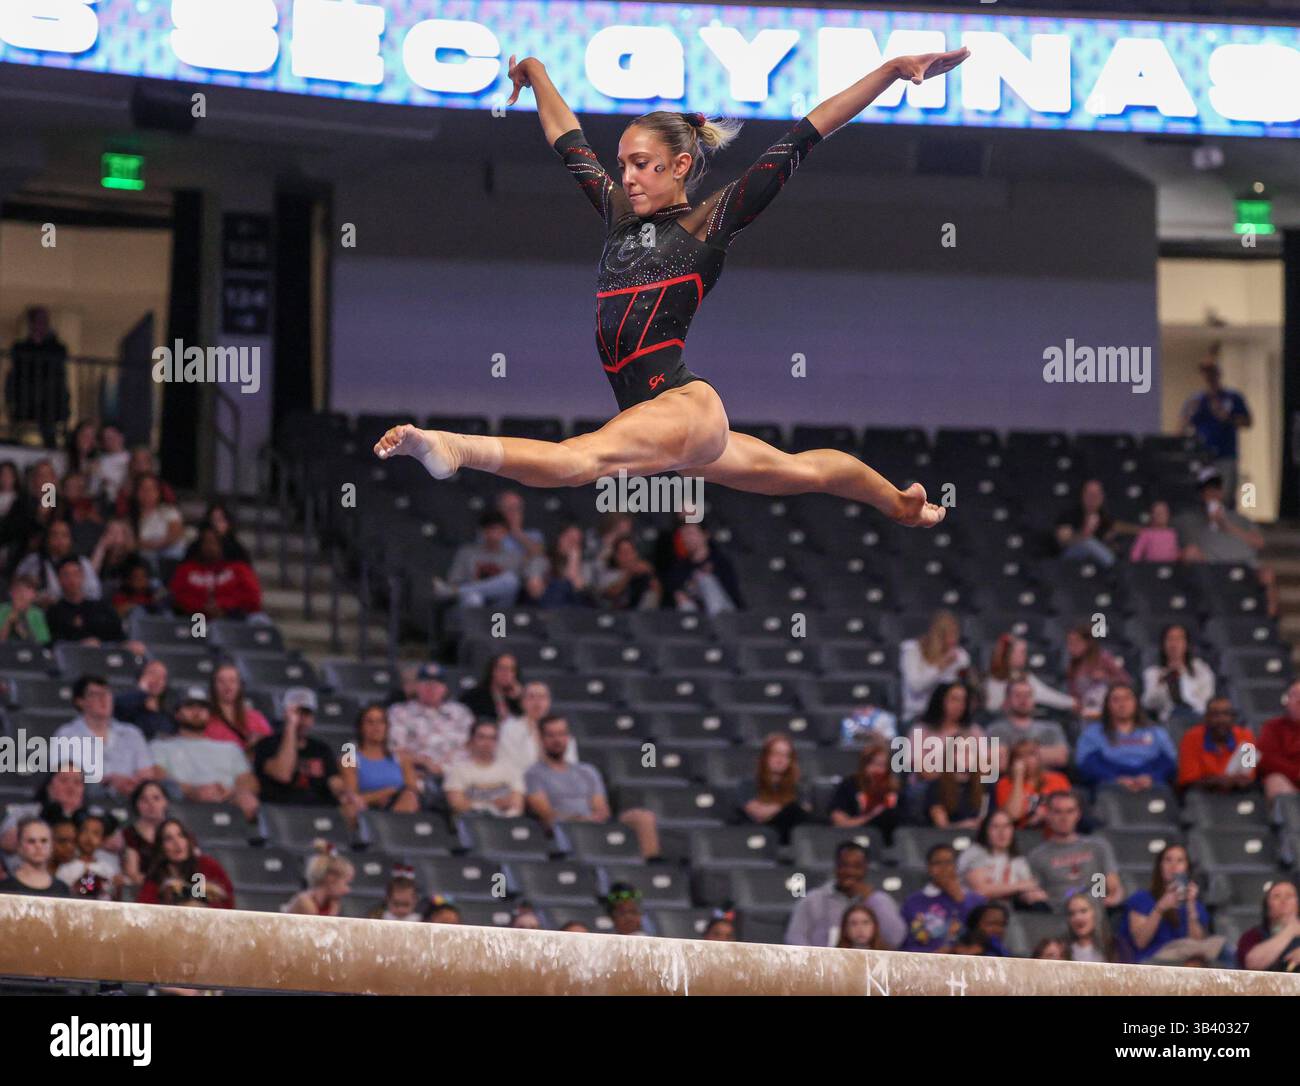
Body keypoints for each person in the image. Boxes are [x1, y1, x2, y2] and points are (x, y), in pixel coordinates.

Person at [372, 50, 963, 532]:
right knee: (801, 472)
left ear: (680, 166)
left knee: (583, 459)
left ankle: (453, 446)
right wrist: (536, 71)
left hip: (681, 406)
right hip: (661, 416)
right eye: (623, 164)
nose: (625, 176)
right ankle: (899, 503)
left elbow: (806, 134)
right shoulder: (617, 215)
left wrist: (889, 73)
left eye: (640, 164)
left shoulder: (707, 222)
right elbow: (567, 138)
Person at [524, 714, 660, 858]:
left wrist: (592, 819)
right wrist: (579, 819)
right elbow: (547, 816)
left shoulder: (587, 771)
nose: (557, 740)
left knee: (643, 818)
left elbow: (602, 809)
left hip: (596, 826)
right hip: (568, 831)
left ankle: (651, 869)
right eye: (551, 735)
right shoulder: (533, 774)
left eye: (561, 734)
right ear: (541, 739)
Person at [252, 687, 363, 821]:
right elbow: (283, 774)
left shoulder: (321, 748)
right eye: (297, 713)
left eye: (307, 714)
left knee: (352, 807)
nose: (302, 719)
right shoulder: (267, 744)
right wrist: (291, 726)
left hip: (320, 811)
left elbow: (334, 781)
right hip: (282, 812)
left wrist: (347, 794)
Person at [1177, 467, 1276, 616]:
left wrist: (1226, 525)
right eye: (1208, 491)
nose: (1212, 494)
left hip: (1245, 567)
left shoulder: (1240, 519)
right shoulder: (1188, 520)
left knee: (1267, 574)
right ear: (1201, 494)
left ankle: (1268, 625)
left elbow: (1259, 543)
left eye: (1216, 489)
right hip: (1213, 570)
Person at [150, 693, 261, 820]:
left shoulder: (230, 748)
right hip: (183, 803)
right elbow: (157, 776)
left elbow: (250, 782)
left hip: (228, 800)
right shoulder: (160, 746)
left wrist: (232, 792)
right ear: (177, 714)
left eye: (202, 707)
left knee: (249, 800)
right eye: (190, 706)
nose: (197, 711)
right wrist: (192, 791)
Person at [54, 675, 159, 801]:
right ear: (80, 701)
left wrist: (131, 783)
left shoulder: (132, 733)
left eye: (107, 694)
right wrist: (109, 781)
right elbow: (64, 777)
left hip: (131, 796)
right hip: (88, 797)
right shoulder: (67, 735)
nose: (104, 699)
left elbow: (146, 773)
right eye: (95, 695)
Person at [784, 841, 906, 949]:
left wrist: (871, 898)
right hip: (821, 968)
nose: (850, 871)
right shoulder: (813, 900)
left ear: (866, 868)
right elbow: (794, 938)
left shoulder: (880, 900)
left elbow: (895, 939)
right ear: (836, 867)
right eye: (844, 865)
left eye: (856, 866)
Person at [386, 662, 475, 803]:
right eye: (426, 683)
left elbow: (471, 747)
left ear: (445, 688)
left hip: (457, 776)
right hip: (417, 774)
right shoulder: (399, 712)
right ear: (416, 686)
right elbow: (396, 749)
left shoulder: (461, 713)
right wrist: (425, 763)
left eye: (437, 684)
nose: (431, 688)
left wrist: (444, 767)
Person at [1027, 791, 1123, 911]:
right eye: (1057, 812)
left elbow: (1114, 888)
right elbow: (1033, 894)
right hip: (1058, 917)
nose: (1064, 818)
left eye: (1070, 811)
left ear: (1078, 814)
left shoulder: (1098, 847)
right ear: (1048, 815)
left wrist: (1108, 903)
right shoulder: (1037, 856)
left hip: (1099, 913)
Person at [1075, 683, 1177, 793]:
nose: (1122, 704)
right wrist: (1115, 779)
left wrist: (1152, 777)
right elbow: (1088, 765)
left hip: (1152, 785)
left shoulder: (1156, 732)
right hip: (1110, 786)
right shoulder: (1092, 733)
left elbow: (1169, 762)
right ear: (1107, 705)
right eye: (1116, 700)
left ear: (1136, 703)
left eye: (1127, 699)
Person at [1180, 353, 1252, 507]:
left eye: (1212, 371)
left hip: (1226, 455)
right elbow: (1182, 427)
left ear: (1218, 373)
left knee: (1225, 495)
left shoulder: (1232, 397)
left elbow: (1247, 421)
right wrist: (1189, 414)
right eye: (1205, 371)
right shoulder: (1196, 399)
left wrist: (1226, 417)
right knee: (1202, 494)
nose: (1209, 375)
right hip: (1202, 455)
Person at [1122, 844, 1212, 965]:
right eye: (1168, 860)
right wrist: (1159, 908)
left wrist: (1191, 907)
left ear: (1187, 868)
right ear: (1160, 866)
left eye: (1180, 860)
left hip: (1186, 965)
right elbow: (1140, 942)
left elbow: (1197, 945)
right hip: (1152, 964)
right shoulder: (1141, 899)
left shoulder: (1196, 906)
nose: (1173, 865)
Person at [434, 510, 531, 611]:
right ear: (483, 532)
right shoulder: (467, 552)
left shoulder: (514, 556)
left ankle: (453, 591)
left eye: (498, 531)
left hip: (502, 604)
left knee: (511, 580)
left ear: (505, 533)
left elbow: (515, 587)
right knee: (473, 598)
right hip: (475, 598)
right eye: (490, 531)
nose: (494, 535)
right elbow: (455, 579)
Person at [900, 844, 986, 953]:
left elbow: (978, 935)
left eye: (948, 862)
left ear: (956, 866)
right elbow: (907, 942)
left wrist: (960, 900)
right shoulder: (913, 902)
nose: (943, 868)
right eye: (937, 863)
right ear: (929, 868)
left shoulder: (976, 900)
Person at [5, 305, 69, 448]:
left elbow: (59, 369)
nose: (41, 325)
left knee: (49, 436)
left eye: (44, 321)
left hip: (50, 402)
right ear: (31, 323)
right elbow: (15, 373)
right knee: (23, 437)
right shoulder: (20, 347)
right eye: (38, 321)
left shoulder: (56, 347)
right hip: (26, 399)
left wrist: (51, 338)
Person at [338, 703, 420, 813]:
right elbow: (353, 797)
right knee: (350, 807)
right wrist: (385, 792)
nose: (376, 727)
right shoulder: (349, 759)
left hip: (399, 806)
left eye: (381, 722)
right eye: (370, 722)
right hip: (365, 809)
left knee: (409, 798)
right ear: (361, 727)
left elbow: (412, 789)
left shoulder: (402, 758)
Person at [958, 809, 1049, 908]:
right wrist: (1019, 886)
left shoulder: (1017, 860)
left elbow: (1029, 885)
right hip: (973, 911)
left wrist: (1034, 894)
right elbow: (981, 890)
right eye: (995, 827)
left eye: (1006, 826)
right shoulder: (975, 853)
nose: (1002, 832)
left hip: (1006, 913)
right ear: (985, 830)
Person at [168, 525, 263, 619]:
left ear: (222, 545)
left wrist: (224, 606)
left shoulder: (239, 569)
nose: (210, 547)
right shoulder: (187, 570)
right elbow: (176, 596)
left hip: (234, 618)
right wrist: (201, 607)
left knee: (259, 620)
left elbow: (253, 598)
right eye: (206, 542)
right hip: (193, 620)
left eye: (214, 542)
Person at [137, 818, 235, 908]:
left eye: (181, 835)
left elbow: (228, 903)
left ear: (188, 840)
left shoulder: (208, 865)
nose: (177, 843)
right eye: (168, 839)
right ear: (161, 847)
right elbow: (144, 910)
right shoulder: (155, 877)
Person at [736, 733, 812, 844]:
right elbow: (758, 813)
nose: (780, 760)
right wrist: (786, 806)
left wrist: (776, 808)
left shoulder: (798, 787)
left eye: (786, 756)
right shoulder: (749, 784)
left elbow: (805, 814)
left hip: (790, 835)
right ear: (765, 757)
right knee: (792, 809)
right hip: (762, 835)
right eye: (776, 754)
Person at [442, 720, 525, 818]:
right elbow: (457, 805)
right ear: (471, 740)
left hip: (506, 824)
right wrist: (492, 805)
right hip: (471, 825)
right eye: (482, 737)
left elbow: (517, 805)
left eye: (492, 738)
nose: (487, 742)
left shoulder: (511, 769)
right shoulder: (457, 770)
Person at [899, 611, 972, 722]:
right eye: (947, 635)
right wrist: (941, 666)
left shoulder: (960, 656)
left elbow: (959, 689)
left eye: (955, 634)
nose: (953, 641)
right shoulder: (912, 650)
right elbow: (916, 686)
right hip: (918, 714)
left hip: (949, 718)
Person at [498, 681, 579, 778]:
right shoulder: (509, 728)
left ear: (549, 702)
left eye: (542, 697)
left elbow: (570, 764)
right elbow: (506, 763)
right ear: (522, 702)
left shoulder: (561, 729)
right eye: (531, 697)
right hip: (519, 784)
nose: (537, 702)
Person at [1177, 696, 1256, 793]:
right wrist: (1221, 781)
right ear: (1206, 718)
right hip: (1203, 796)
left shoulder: (1247, 737)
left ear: (1233, 718)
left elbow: (1249, 776)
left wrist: (1226, 781)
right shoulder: (1190, 738)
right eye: (1215, 715)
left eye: (1226, 714)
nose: (1221, 720)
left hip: (1237, 794)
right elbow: (1188, 780)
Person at [1141, 623, 1215, 727]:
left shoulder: (1200, 668)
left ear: (1186, 644)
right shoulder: (1153, 672)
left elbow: (1207, 697)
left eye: (1179, 639)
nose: (1174, 644)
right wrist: (1160, 683)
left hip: (1197, 715)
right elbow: (1148, 703)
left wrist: (1182, 674)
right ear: (1163, 644)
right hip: (1170, 718)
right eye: (1170, 639)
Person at [986, 678, 1070, 770]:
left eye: (1028, 695)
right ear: (1007, 700)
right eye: (1018, 695)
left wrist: (1013, 753)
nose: (1023, 699)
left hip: (1047, 781)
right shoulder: (995, 730)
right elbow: (998, 763)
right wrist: (1042, 753)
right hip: (1009, 781)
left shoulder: (1051, 728)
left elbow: (1062, 757)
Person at [662, 522, 744, 614]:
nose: (687, 539)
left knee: (706, 579)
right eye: (683, 535)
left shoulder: (720, 561)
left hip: (726, 613)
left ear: (705, 535)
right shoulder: (680, 569)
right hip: (699, 617)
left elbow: (734, 592)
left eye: (690, 533)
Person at [983, 633, 1074, 716]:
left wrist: (1072, 703)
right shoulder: (994, 679)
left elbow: (1048, 695)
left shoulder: (1025, 676)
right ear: (1009, 654)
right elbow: (992, 707)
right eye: (1022, 652)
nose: (1025, 656)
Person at [16, 519, 104, 603]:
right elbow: (18, 591)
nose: (59, 539)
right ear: (47, 538)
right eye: (54, 535)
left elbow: (94, 593)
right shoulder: (33, 561)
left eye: (64, 535)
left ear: (70, 540)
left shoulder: (82, 562)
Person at [827, 738, 899, 840]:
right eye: (873, 764)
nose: (877, 770)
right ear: (863, 765)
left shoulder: (895, 789)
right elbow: (839, 822)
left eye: (883, 765)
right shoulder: (849, 785)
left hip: (888, 842)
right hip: (854, 838)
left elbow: (904, 827)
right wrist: (872, 817)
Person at [45, 557, 130, 644]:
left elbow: (119, 635)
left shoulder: (102, 607)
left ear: (83, 576)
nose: (72, 580)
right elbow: (52, 643)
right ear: (59, 579)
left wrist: (128, 644)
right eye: (66, 575)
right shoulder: (54, 612)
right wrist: (80, 644)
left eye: (76, 574)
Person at [995, 739, 1071, 829]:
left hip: (1053, 831)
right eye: (1020, 756)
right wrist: (1018, 777)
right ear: (1013, 762)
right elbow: (1012, 815)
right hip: (1021, 833)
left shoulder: (1058, 779)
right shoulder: (1005, 783)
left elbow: (1068, 812)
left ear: (1039, 758)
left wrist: (1046, 814)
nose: (1026, 760)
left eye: (1031, 754)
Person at [1065, 624, 1132, 720]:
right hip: (1086, 713)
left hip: (1107, 711)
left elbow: (1126, 681)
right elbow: (1073, 694)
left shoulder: (1103, 658)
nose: (1072, 647)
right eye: (1069, 643)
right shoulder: (1072, 667)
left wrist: (1105, 677)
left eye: (1076, 642)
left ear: (1087, 642)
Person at [523, 523, 595, 608]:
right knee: (559, 586)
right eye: (568, 538)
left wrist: (573, 560)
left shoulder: (585, 566)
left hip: (575, 611)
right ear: (559, 538)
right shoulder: (541, 560)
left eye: (576, 541)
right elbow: (535, 592)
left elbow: (579, 589)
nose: (571, 544)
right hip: (543, 609)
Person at [204, 662, 273, 750]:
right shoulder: (204, 718)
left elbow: (270, 749)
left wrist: (259, 743)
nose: (227, 686)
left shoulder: (256, 718)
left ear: (240, 685)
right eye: (221, 681)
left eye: (232, 681)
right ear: (213, 686)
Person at [54, 807, 122, 895]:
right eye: (84, 830)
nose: (89, 838)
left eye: (96, 833)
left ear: (103, 839)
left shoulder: (108, 870)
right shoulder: (66, 868)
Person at [1054, 479, 1122, 567]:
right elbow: (1063, 541)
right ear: (1083, 496)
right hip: (1070, 556)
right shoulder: (1070, 514)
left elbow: (1108, 539)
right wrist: (1084, 533)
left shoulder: (1105, 516)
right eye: (1090, 494)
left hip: (1096, 557)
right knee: (1088, 541)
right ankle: (1114, 567)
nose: (1094, 497)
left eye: (1097, 494)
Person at [1236, 879, 1300, 972]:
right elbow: (1252, 964)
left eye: (1289, 896)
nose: (1283, 901)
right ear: (1267, 905)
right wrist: (1290, 930)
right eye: (1276, 896)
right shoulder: (1252, 936)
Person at [0, 818, 71, 897]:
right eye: (31, 841)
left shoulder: (62, 889)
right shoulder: (4, 888)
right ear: (19, 846)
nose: (38, 846)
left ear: (51, 846)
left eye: (44, 841)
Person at [127, 473, 185, 567]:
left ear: (158, 492)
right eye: (143, 489)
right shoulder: (130, 518)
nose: (147, 493)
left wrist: (149, 545)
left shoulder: (169, 511)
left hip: (169, 559)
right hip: (143, 562)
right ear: (136, 493)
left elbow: (174, 536)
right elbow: (131, 545)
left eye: (151, 489)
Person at [283, 842, 354, 916]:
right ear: (330, 878)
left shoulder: (333, 905)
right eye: (346, 883)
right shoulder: (304, 902)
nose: (347, 890)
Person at [120, 779, 169, 885]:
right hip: (144, 890)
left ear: (165, 801)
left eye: (156, 798)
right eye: (144, 799)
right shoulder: (129, 835)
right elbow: (132, 874)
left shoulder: (178, 832)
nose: (151, 804)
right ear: (137, 804)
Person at [1258, 680, 1300, 801]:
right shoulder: (1273, 726)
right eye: (1295, 696)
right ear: (1286, 702)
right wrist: (1296, 773)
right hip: (1287, 782)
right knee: (1275, 781)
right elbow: (1265, 758)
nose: (1299, 701)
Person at [113, 659, 174, 741]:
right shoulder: (125, 701)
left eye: (163, 677)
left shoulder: (166, 712)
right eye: (153, 674)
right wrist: (142, 692)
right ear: (141, 677)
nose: (158, 680)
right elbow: (121, 706)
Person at [596, 536, 662, 611]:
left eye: (629, 552)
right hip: (615, 615)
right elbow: (611, 593)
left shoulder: (643, 573)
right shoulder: (608, 573)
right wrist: (629, 574)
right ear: (615, 555)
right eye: (623, 553)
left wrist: (651, 574)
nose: (627, 557)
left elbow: (656, 595)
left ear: (635, 553)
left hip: (641, 615)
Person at [460, 652, 524, 723]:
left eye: (512, 670)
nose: (507, 673)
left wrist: (519, 699)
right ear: (492, 671)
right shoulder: (474, 695)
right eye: (502, 668)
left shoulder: (521, 698)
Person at [1064, 891, 1116, 963]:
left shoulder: (1115, 947)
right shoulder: (1062, 949)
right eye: (1072, 913)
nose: (1078, 918)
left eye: (1083, 911)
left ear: (1096, 913)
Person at [0, 572, 49, 644]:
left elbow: (42, 643)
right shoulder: (2, 609)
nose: (22, 594)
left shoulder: (37, 614)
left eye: (27, 591)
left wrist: (22, 630)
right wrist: (9, 621)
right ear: (11, 592)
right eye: (18, 590)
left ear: (34, 595)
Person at [1128, 499, 1181, 563]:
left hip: (1170, 566)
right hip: (1152, 567)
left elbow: (1176, 551)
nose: (1160, 515)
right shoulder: (1146, 532)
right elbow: (1136, 552)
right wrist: (1135, 565)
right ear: (1152, 515)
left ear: (1168, 515)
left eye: (1163, 512)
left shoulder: (1172, 533)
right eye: (1157, 513)